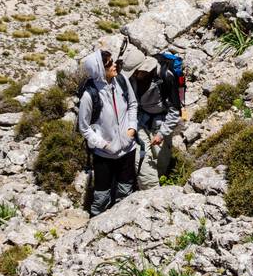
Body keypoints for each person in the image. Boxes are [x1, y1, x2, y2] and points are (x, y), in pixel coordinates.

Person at [78, 49, 138, 217]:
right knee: (101, 198)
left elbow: (133, 105)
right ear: (99, 70)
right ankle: (95, 226)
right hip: (104, 154)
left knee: (125, 192)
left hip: (128, 149)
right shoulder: (89, 96)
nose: (114, 65)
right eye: (109, 64)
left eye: (113, 61)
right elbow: (84, 127)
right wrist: (104, 145)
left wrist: (131, 130)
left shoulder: (121, 80)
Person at [122, 45, 182, 191]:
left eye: (135, 72)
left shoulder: (166, 77)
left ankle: (160, 186)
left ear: (143, 68)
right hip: (140, 121)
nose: (133, 76)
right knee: (140, 159)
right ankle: (150, 193)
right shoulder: (134, 79)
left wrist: (162, 134)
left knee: (161, 160)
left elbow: (175, 111)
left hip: (161, 124)